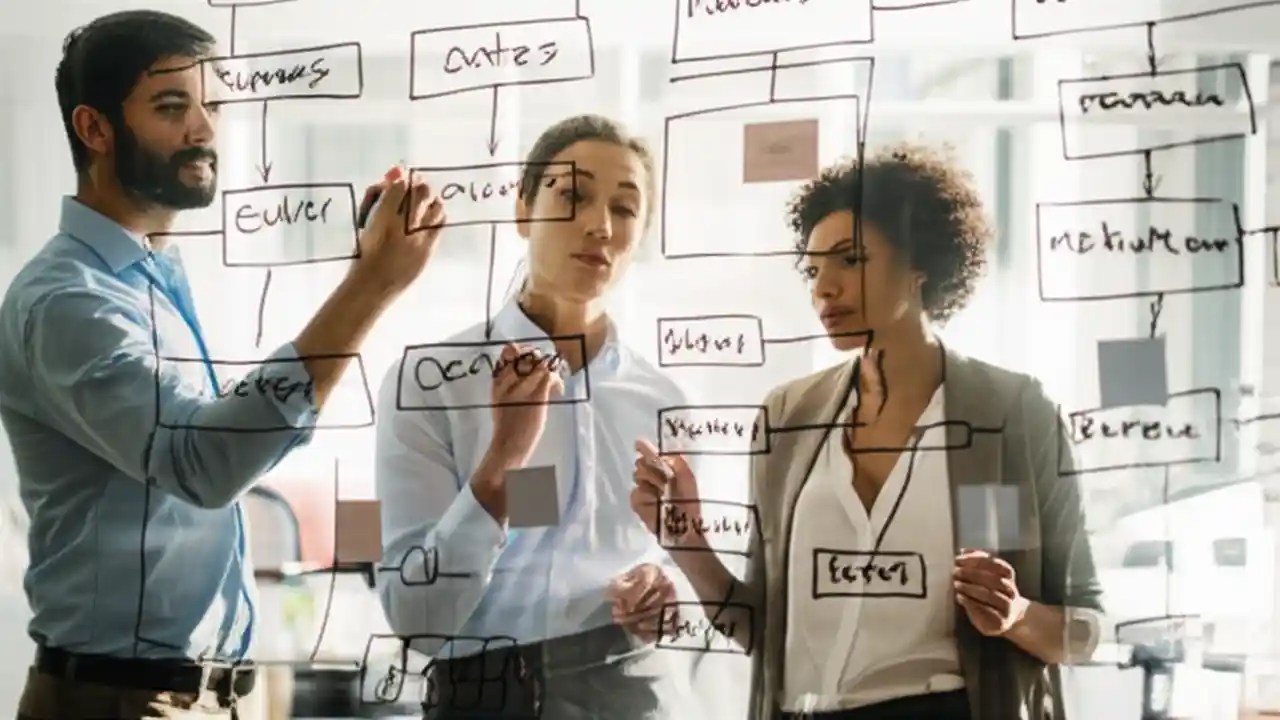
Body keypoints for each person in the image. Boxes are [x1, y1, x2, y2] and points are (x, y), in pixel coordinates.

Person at [0, 10, 444, 719]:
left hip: (204, 696)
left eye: (215, 106)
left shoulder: (151, 283)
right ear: (95, 129)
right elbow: (204, 461)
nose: (204, 129)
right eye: (173, 107)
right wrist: (369, 287)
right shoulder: (67, 302)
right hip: (118, 700)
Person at [630, 143, 1107, 720]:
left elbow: (1084, 630)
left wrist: (1015, 616)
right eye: (814, 269)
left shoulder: (1011, 414)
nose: (822, 287)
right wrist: (688, 543)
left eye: (850, 260)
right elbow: (764, 635)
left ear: (920, 266)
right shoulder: (788, 417)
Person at [376, 114, 695, 719]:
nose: (599, 225)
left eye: (625, 210)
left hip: (634, 692)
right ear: (522, 211)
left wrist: (661, 591)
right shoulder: (429, 382)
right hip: (486, 698)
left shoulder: (662, 399)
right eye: (572, 196)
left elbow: (680, 563)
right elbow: (414, 620)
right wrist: (502, 464)